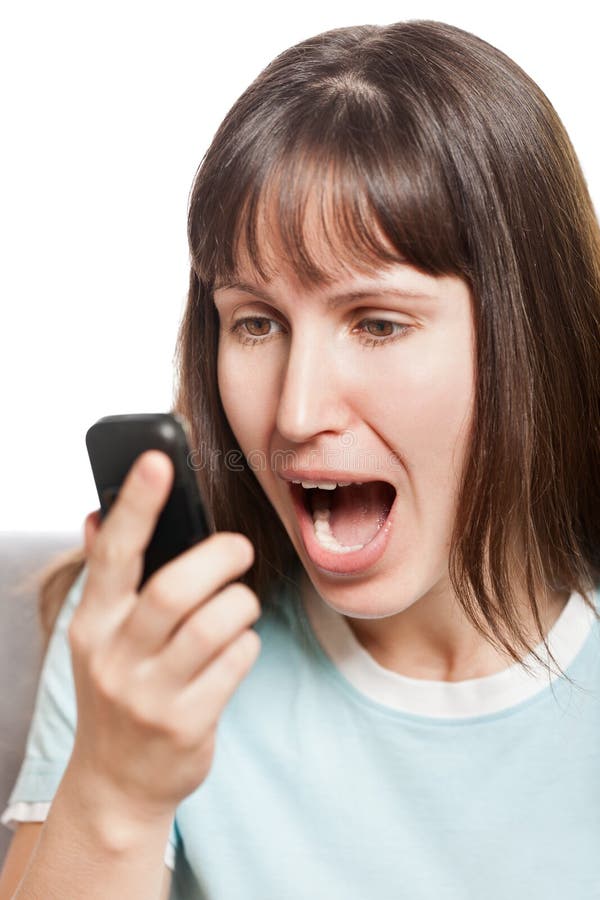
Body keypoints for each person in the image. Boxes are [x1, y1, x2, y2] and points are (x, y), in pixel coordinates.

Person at [1, 18, 599, 900]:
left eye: (378, 322)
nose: (295, 411)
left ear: (533, 338)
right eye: (256, 322)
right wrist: (114, 793)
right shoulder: (147, 639)